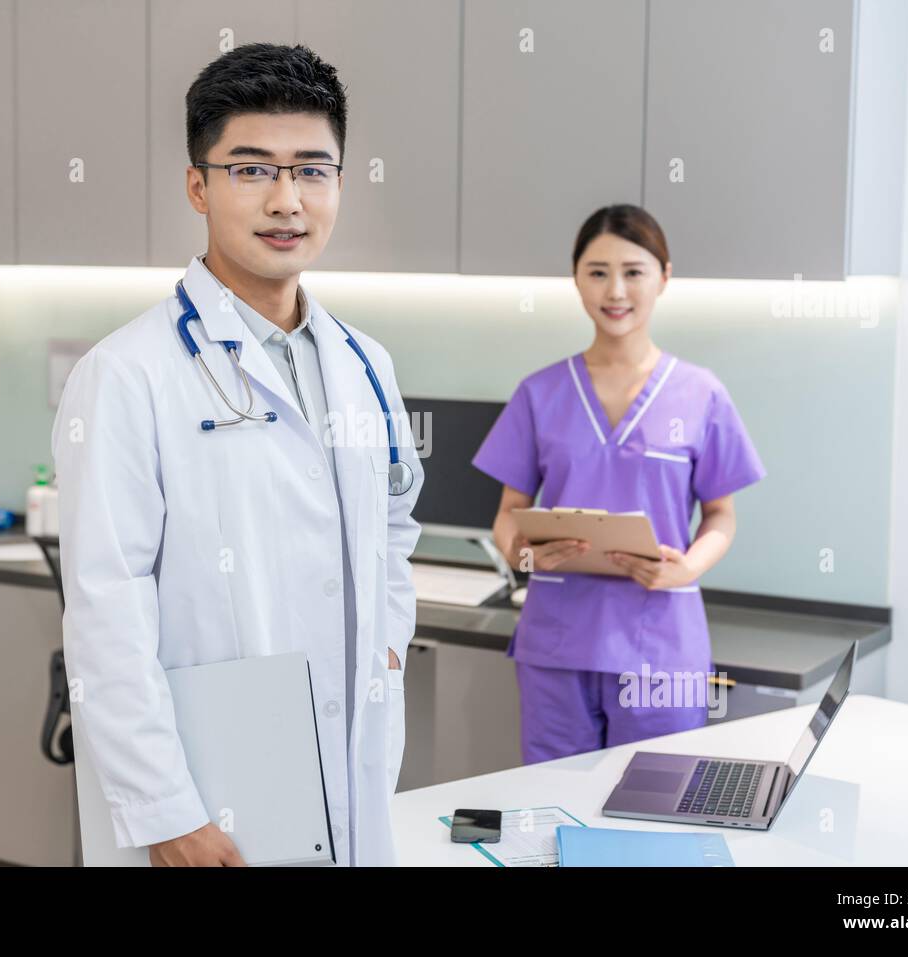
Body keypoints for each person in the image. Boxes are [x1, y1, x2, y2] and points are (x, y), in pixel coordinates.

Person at [52, 43, 423, 866]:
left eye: (313, 170)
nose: (287, 200)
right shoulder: (127, 376)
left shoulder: (364, 364)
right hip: (206, 783)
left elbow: (396, 516)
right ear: (198, 184)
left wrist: (387, 642)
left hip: (348, 761)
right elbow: (105, 609)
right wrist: (165, 810)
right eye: (252, 169)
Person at [472, 205, 765, 764]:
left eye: (633, 271)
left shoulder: (701, 394)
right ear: (576, 278)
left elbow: (721, 514)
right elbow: (510, 512)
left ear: (664, 277)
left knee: (655, 816)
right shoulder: (540, 392)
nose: (616, 290)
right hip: (558, 643)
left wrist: (689, 567)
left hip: (661, 643)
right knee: (554, 808)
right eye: (598, 271)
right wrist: (526, 555)